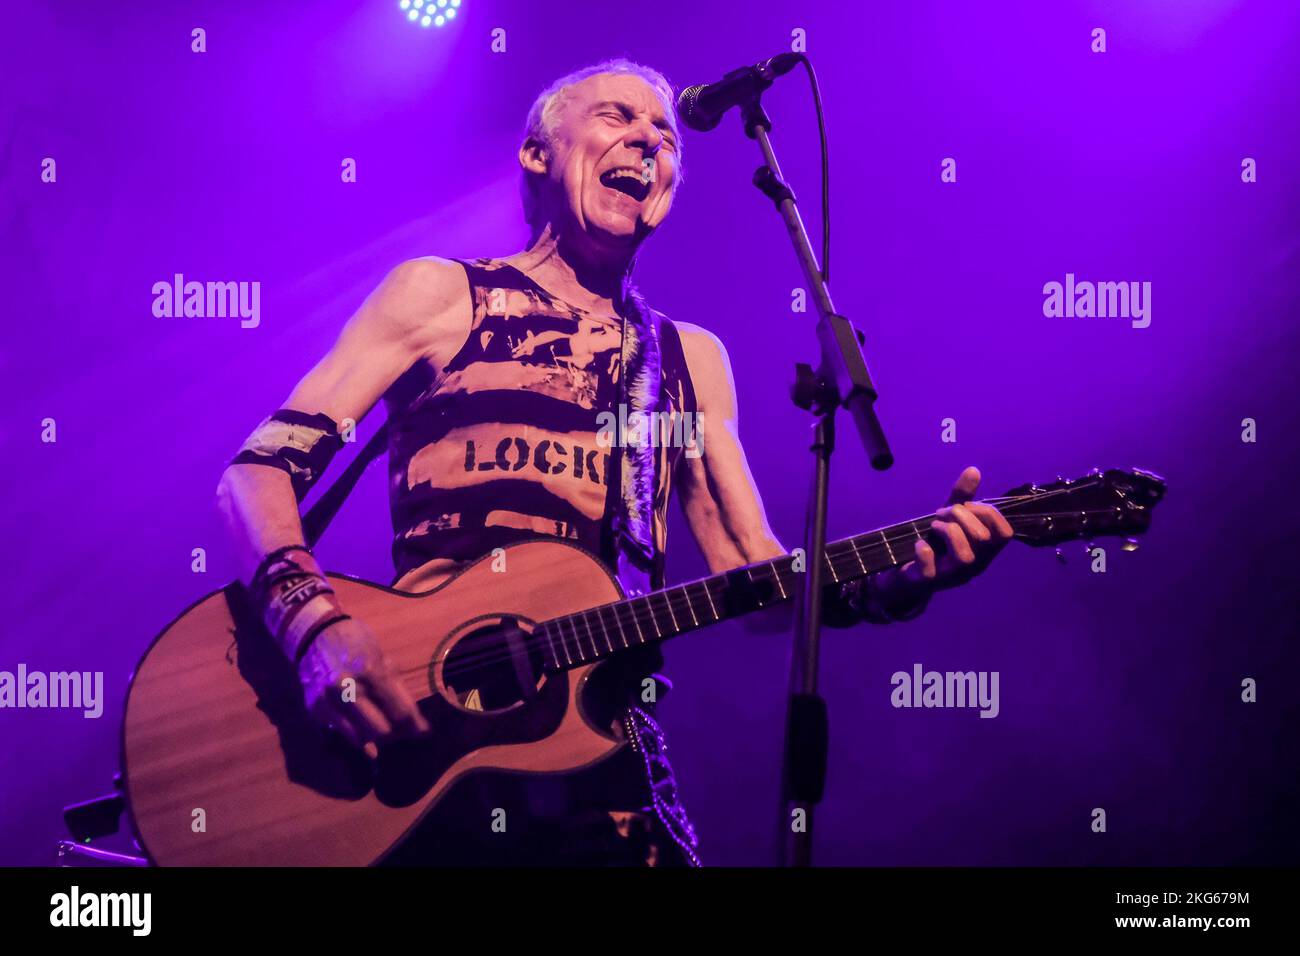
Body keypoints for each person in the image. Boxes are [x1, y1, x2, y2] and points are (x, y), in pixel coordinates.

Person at [215, 59, 1013, 866]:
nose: (647, 139)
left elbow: (754, 571)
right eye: (616, 118)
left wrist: (892, 584)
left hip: (598, 767)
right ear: (537, 154)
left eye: (665, 135)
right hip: (419, 763)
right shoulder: (442, 295)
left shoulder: (686, 360)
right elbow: (256, 472)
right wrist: (315, 626)